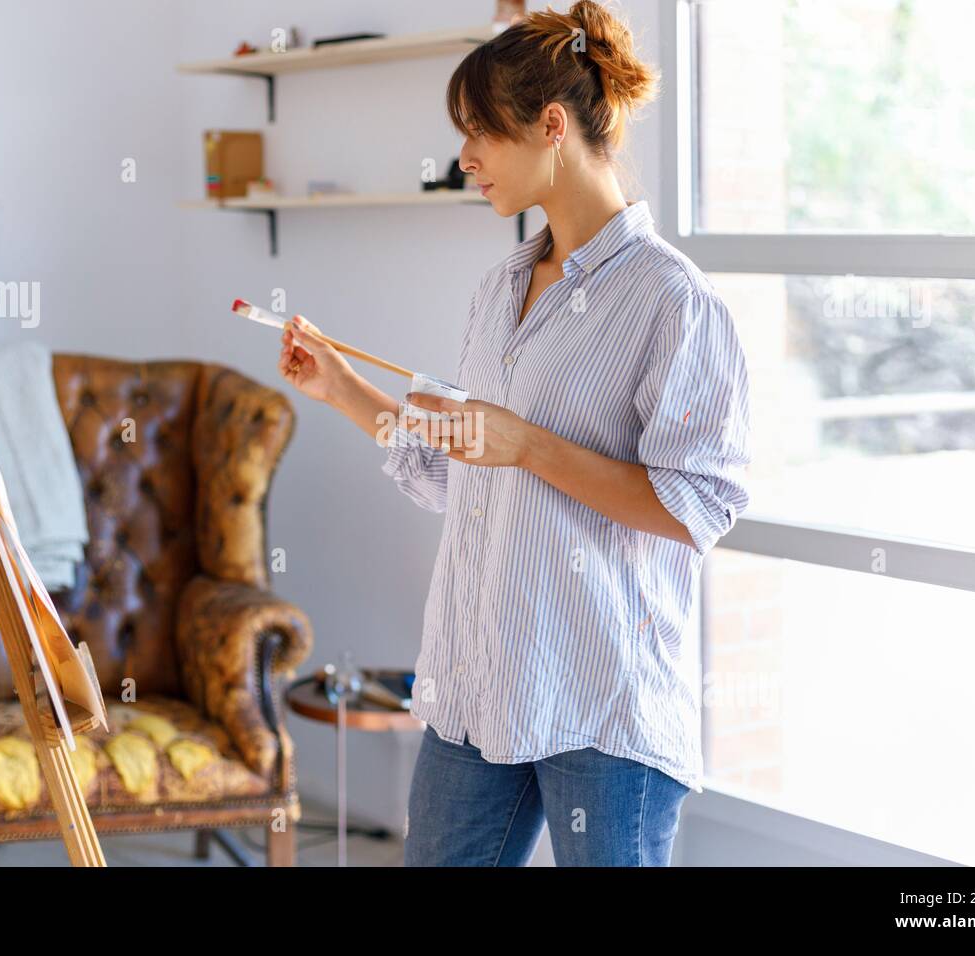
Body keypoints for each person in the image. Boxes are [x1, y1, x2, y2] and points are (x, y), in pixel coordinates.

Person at [277, 0, 752, 866]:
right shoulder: (499, 288)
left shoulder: (673, 301)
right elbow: (465, 475)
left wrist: (528, 444)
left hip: (604, 705)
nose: (463, 159)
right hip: (476, 685)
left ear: (553, 125)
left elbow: (698, 506)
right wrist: (345, 391)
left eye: (479, 134)